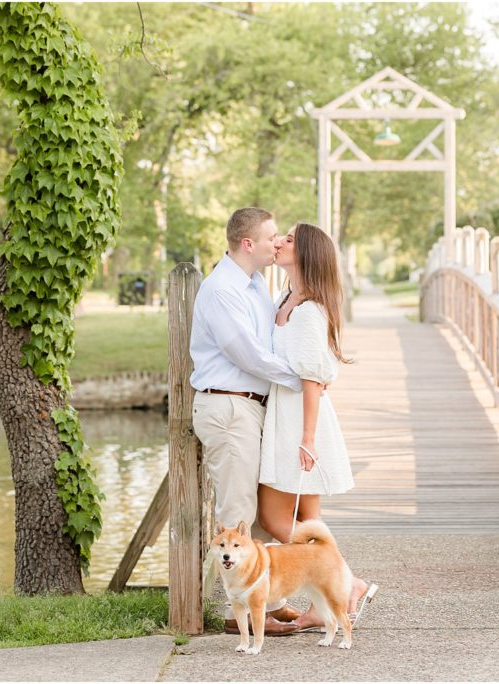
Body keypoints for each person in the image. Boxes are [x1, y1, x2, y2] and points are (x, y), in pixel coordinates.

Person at [189, 207, 303, 636]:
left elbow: (270, 340)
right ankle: (233, 613)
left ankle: (265, 604)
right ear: (248, 243)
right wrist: (299, 379)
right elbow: (246, 353)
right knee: (236, 514)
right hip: (228, 407)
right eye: (272, 236)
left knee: (253, 515)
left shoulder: (256, 284)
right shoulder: (222, 289)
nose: (278, 242)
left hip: (252, 406)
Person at [258, 221, 376, 632]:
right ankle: (339, 592)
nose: (279, 242)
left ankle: (348, 584)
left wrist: (307, 439)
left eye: (288, 239)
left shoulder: (308, 312)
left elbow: (312, 376)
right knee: (311, 527)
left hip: (298, 421)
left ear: (305, 253)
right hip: (286, 413)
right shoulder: (286, 297)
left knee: (274, 519)